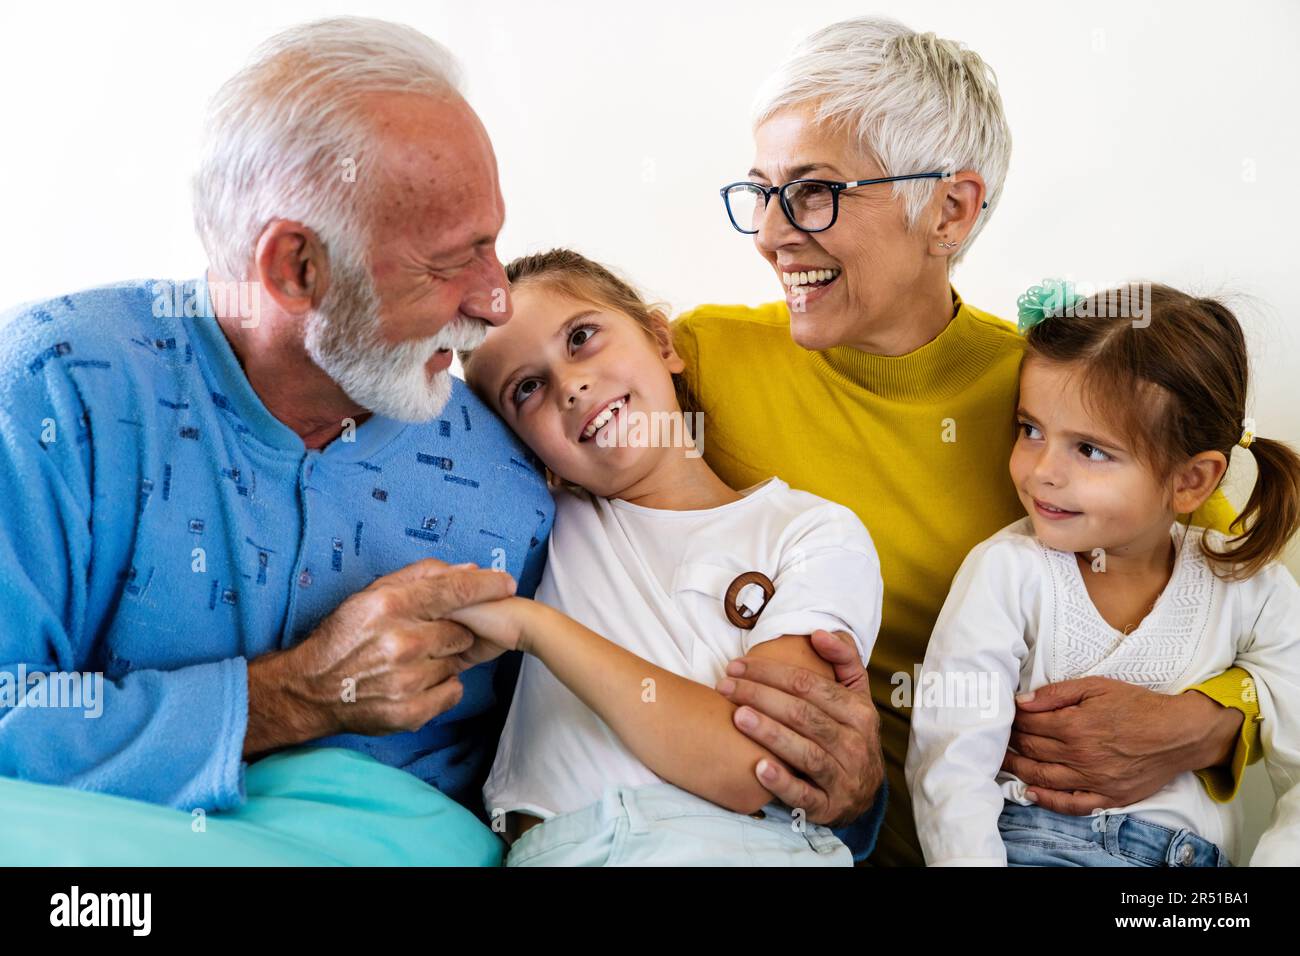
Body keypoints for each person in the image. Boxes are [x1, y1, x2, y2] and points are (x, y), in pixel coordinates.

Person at [673, 16, 1258, 865]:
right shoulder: (702, 358)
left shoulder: (1063, 402)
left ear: (950, 209)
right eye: (760, 191)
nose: (769, 234)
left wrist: (1211, 722)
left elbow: (1247, 592)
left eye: (813, 192)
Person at [452, 249, 883, 864]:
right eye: (527, 388)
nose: (570, 387)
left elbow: (755, 766)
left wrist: (536, 629)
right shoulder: (545, 523)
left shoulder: (810, 533)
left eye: (581, 338)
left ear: (661, 340)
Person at [906, 282, 1300, 866]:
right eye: (1030, 428)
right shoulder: (1008, 572)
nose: (1042, 471)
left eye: (1089, 450)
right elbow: (950, 764)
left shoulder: (1256, 592)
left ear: (1191, 480)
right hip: (1029, 848)